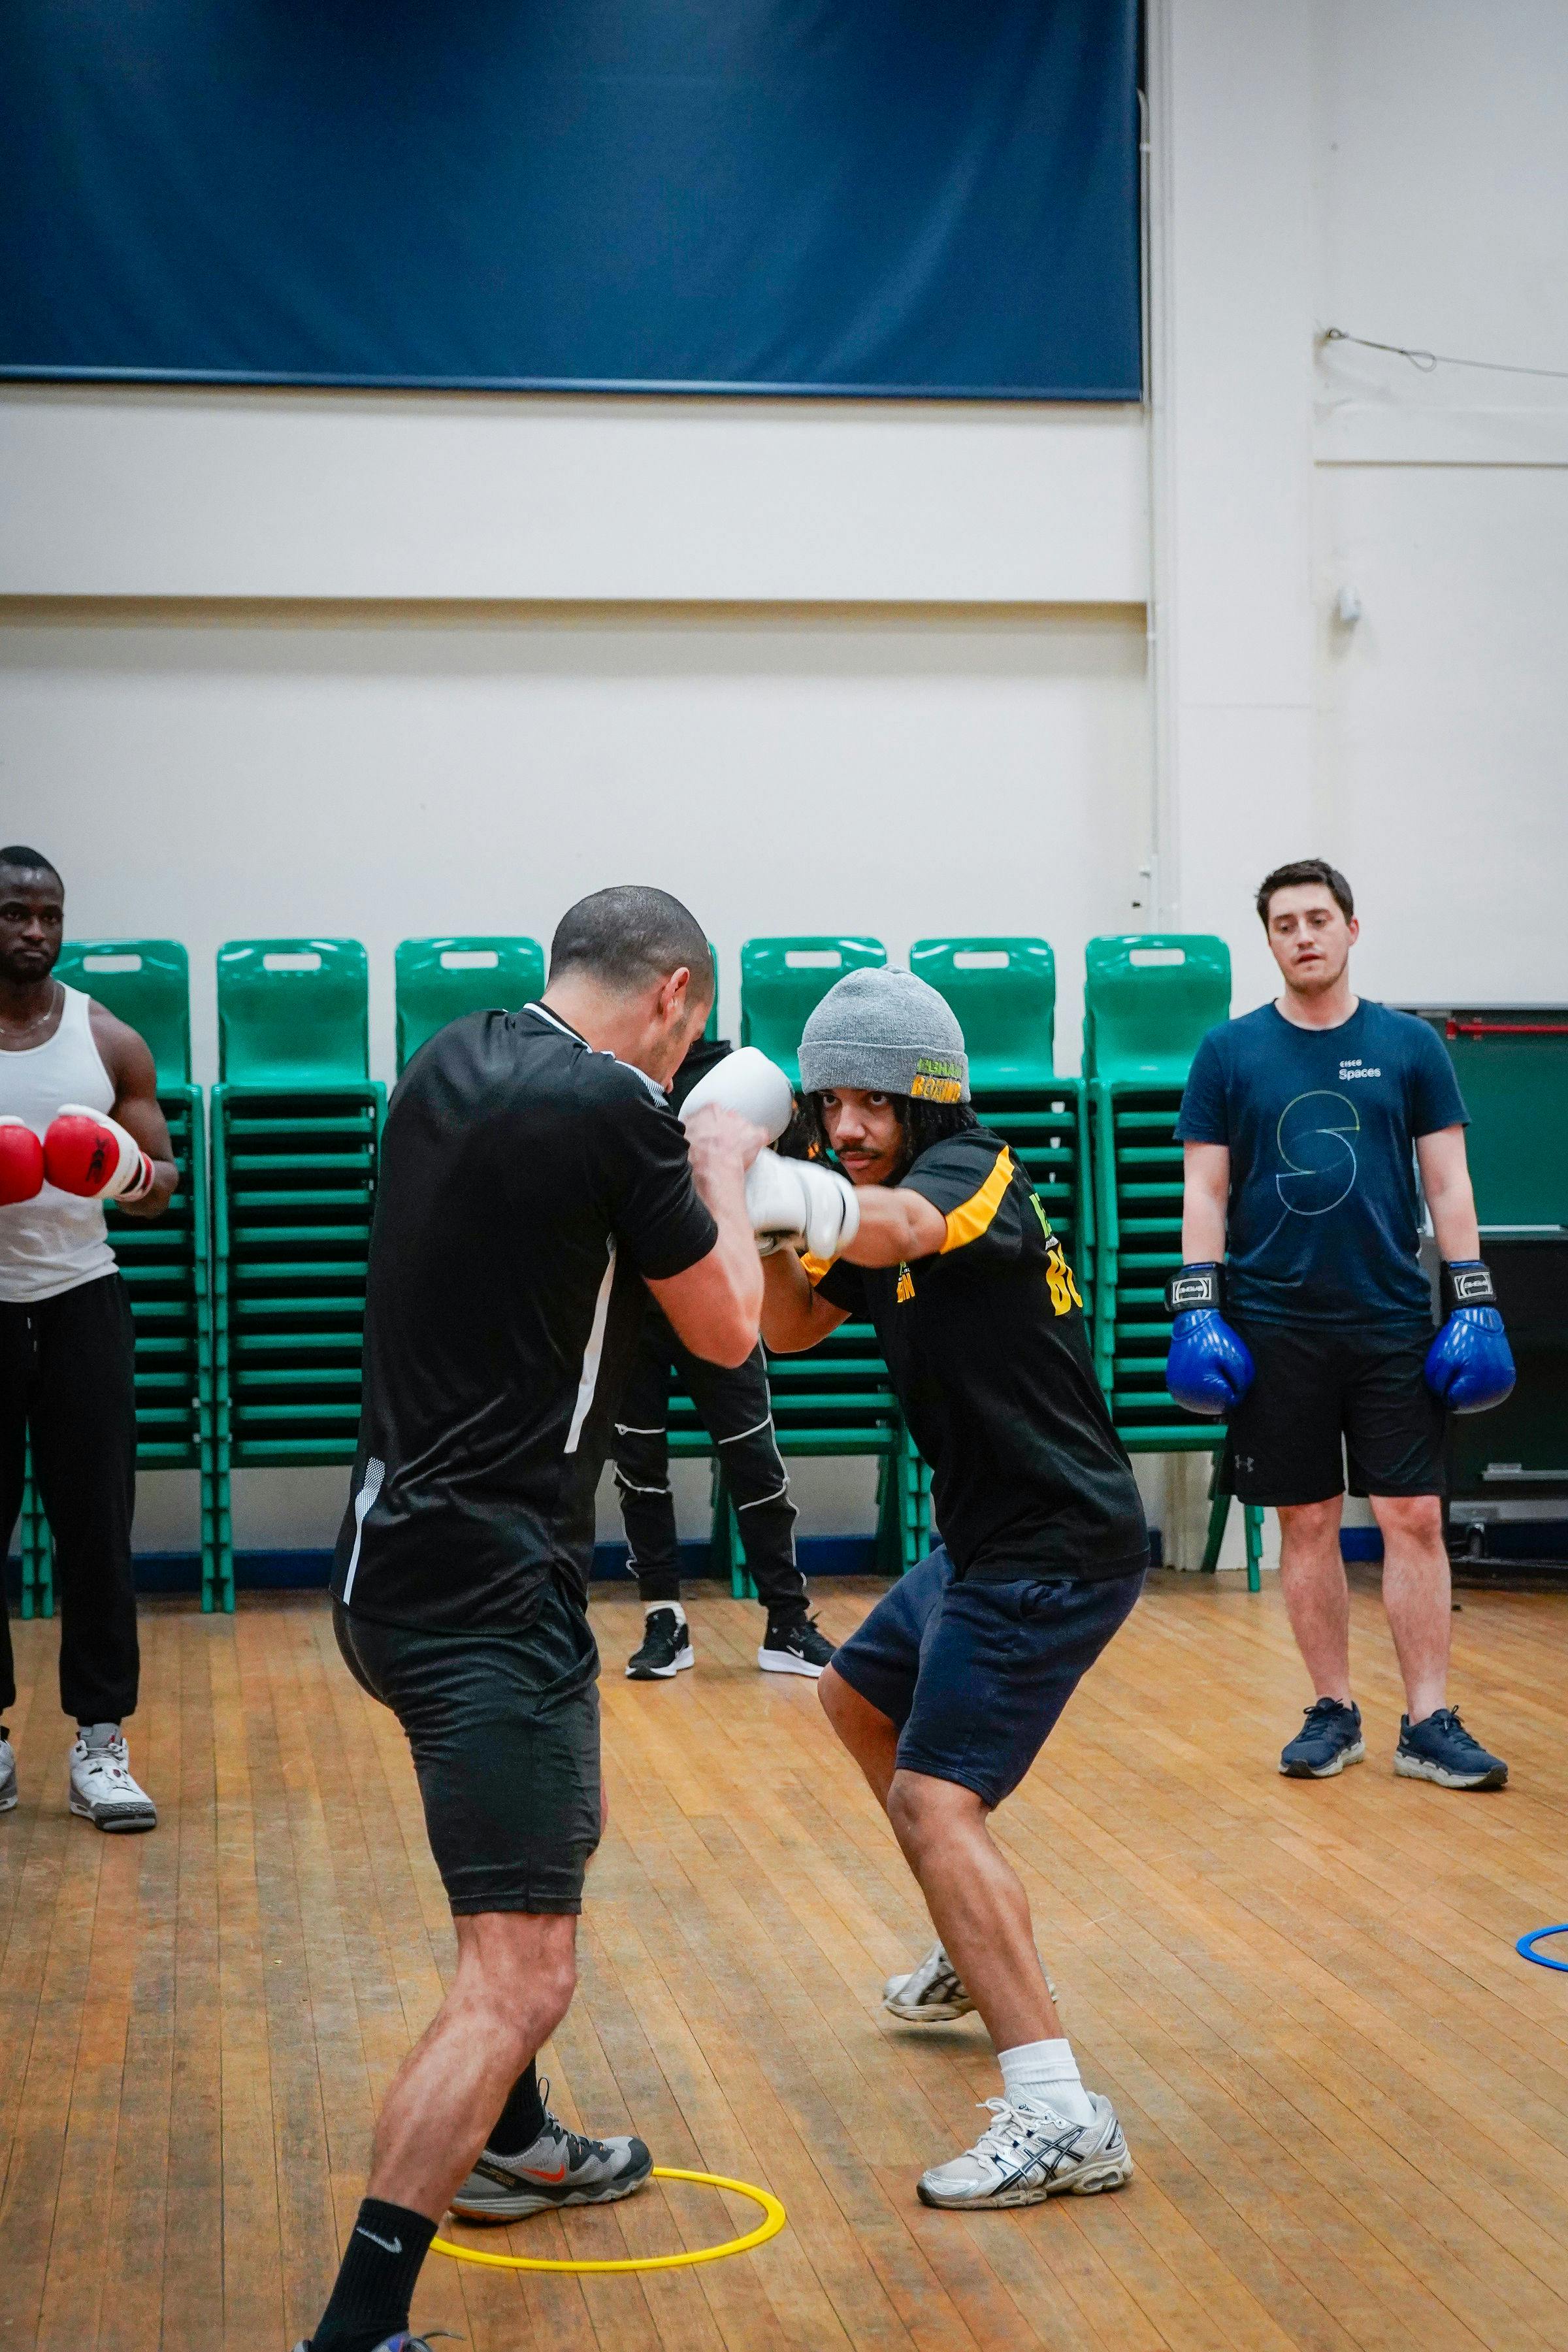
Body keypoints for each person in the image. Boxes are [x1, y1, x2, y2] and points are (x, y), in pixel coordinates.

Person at [299, 887, 766, 2352]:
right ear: (678, 996)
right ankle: (357, 2328)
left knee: (563, 1835)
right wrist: (725, 1157)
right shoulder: (623, 1113)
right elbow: (732, 1331)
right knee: (523, 1970)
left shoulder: (448, 1054)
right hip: (487, 1593)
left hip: (385, 1568)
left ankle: (517, 2142)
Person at [758, 968, 1149, 2211]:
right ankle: (973, 1944)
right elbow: (791, 1330)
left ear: (928, 1099)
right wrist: (763, 1221)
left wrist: (776, 1181)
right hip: (983, 1541)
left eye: (872, 1102)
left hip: (1056, 1543)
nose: (849, 1127)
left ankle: (1060, 2116)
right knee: (856, 1700)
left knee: (936, 1801)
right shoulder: (857, 1196)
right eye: (830, 1104)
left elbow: (910, 1234)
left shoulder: (969, 1173)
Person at [1168, 857, 1514, 1789]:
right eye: (1285, 924)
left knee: (1413, 1515)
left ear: (1352, 929)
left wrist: (1473, 1292)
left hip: (1392, 1314)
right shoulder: (1229, 1052)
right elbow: (1205, 1186)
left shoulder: (1409, 1046)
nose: (1304, 936)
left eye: (1318, 919)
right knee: (1308, 1519)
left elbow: (1449, 1182)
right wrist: (1197, 1300)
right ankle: (1333, 1710)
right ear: (1270, 941)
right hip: (1273, 1319)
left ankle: (1429, 1721)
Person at [0, 846, 176, 1833]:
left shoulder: (106, 1041)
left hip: (81, 1303)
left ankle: (100, 1745)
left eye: (48, 914)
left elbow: (164, 1179)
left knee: (96, 1534)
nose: (34, 930)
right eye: (14, 913)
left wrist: (122, 1172)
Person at [616, 1027, 833, 1682]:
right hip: (631, 1290)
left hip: (715, 1284)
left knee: (753, 1454)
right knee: (639, 1463)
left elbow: (788, 1143)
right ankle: (664, 1620)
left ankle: (788, 1622)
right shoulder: (608, 1076)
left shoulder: (730, 1070)